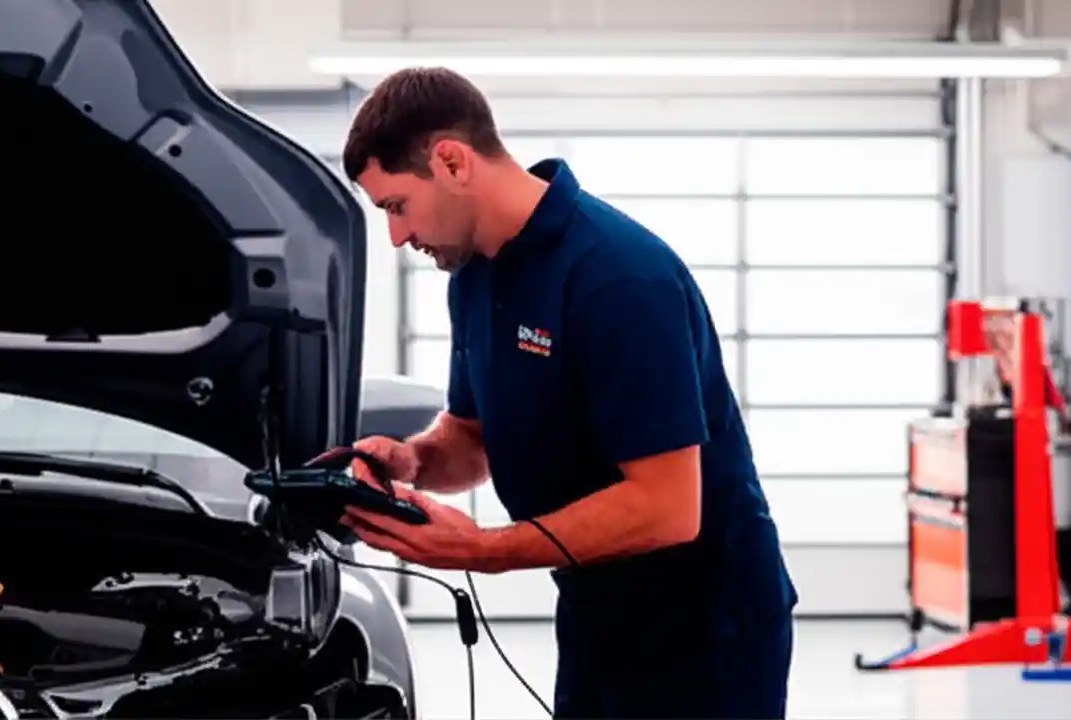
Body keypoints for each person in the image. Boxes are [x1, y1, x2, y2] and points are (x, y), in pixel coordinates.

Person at [337, 66, 798, 719]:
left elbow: (668, 507)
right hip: (595, 604)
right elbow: (470, 438)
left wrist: (486, 550)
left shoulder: (617, 276)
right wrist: (412, 462)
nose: (397, 235)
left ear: (451, 161)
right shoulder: (472, 278)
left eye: (396, 206)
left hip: (705, 625)